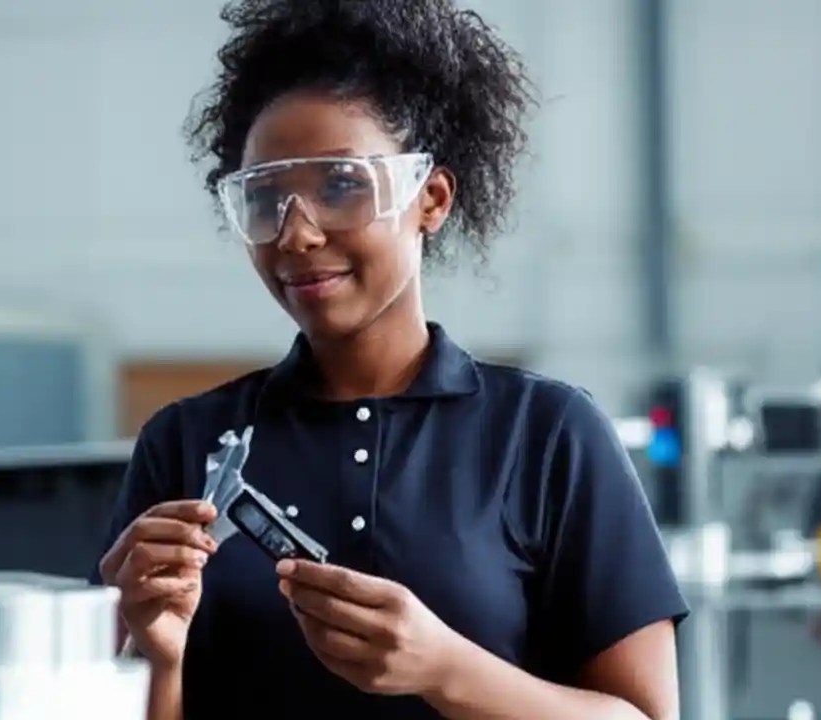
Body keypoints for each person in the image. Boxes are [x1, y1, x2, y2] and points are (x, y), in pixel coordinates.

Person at [92, 1, 688, 718]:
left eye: (341, 186)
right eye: (265, 199)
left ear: (429, 198)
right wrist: (155, 660)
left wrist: (445, 669)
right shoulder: (183, 444)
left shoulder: (547, 432)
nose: (297, 235)